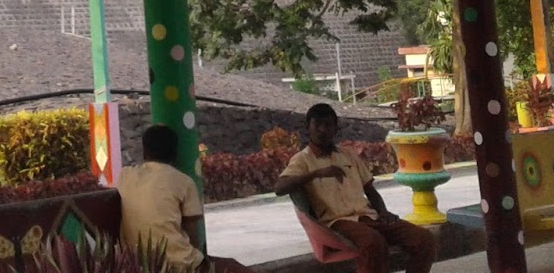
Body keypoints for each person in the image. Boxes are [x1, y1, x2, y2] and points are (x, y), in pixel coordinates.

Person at [275, 104, 436, 273]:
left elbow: (370, 190)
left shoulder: (348, 155)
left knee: (423, 238)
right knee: (373, 242)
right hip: (337, 222)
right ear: (308, 127)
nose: (322, 130)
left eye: (328, 125)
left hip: (368, 216)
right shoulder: (302, 160)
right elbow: (280, 188)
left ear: (335, 129)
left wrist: (383, 211)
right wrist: (316, 174)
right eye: (317, 125)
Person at [117, 125, 241, 273]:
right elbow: (193, 233)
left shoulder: (125, 175)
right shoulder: (183, 182)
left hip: (135, 261)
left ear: (144, 151)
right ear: (175, 153)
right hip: (178, 262)